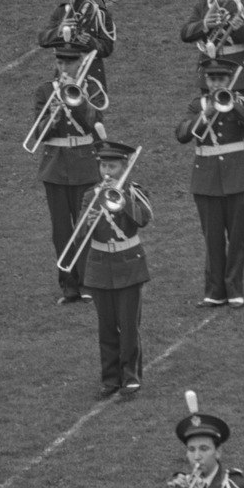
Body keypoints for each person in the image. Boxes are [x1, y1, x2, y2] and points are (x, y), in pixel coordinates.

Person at [175, 60, 244, 308]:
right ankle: (215, 291)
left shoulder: (240, 102)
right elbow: (181, 134)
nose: (215, 84)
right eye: (212, 80)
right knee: (212, 237)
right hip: (207, 180)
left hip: (237, 177)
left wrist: (234, 107)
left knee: (237, 237)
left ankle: (234, 289)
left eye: (221, 80)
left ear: (229, 81)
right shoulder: (197, 105)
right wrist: (206, 115)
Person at [31, 44, 104, 305]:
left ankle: (88, 283)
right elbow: (39, 135)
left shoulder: (91, 87)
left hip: (85, 164)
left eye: (69, 64)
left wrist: (79, 99)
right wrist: (52, 114)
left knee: (86, 227)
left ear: (79, 63)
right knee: (61, 231)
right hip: (55, 168)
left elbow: (95, 124)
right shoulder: (45, 91)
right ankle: (69, 285)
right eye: (60, 64)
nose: (64, 69)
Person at [83, 140, 151, 400]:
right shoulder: (91, 195)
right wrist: (88, 219)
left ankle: (131, 376)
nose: (107, 172)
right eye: (103, 166)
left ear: (125, 167)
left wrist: (123, 202)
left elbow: (144, 219)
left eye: (112, 166)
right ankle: (110, 378)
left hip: (129, 265)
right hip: (100, 267)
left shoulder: (134, 191)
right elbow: (78, 238)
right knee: (106, 327)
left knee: (129, 325)